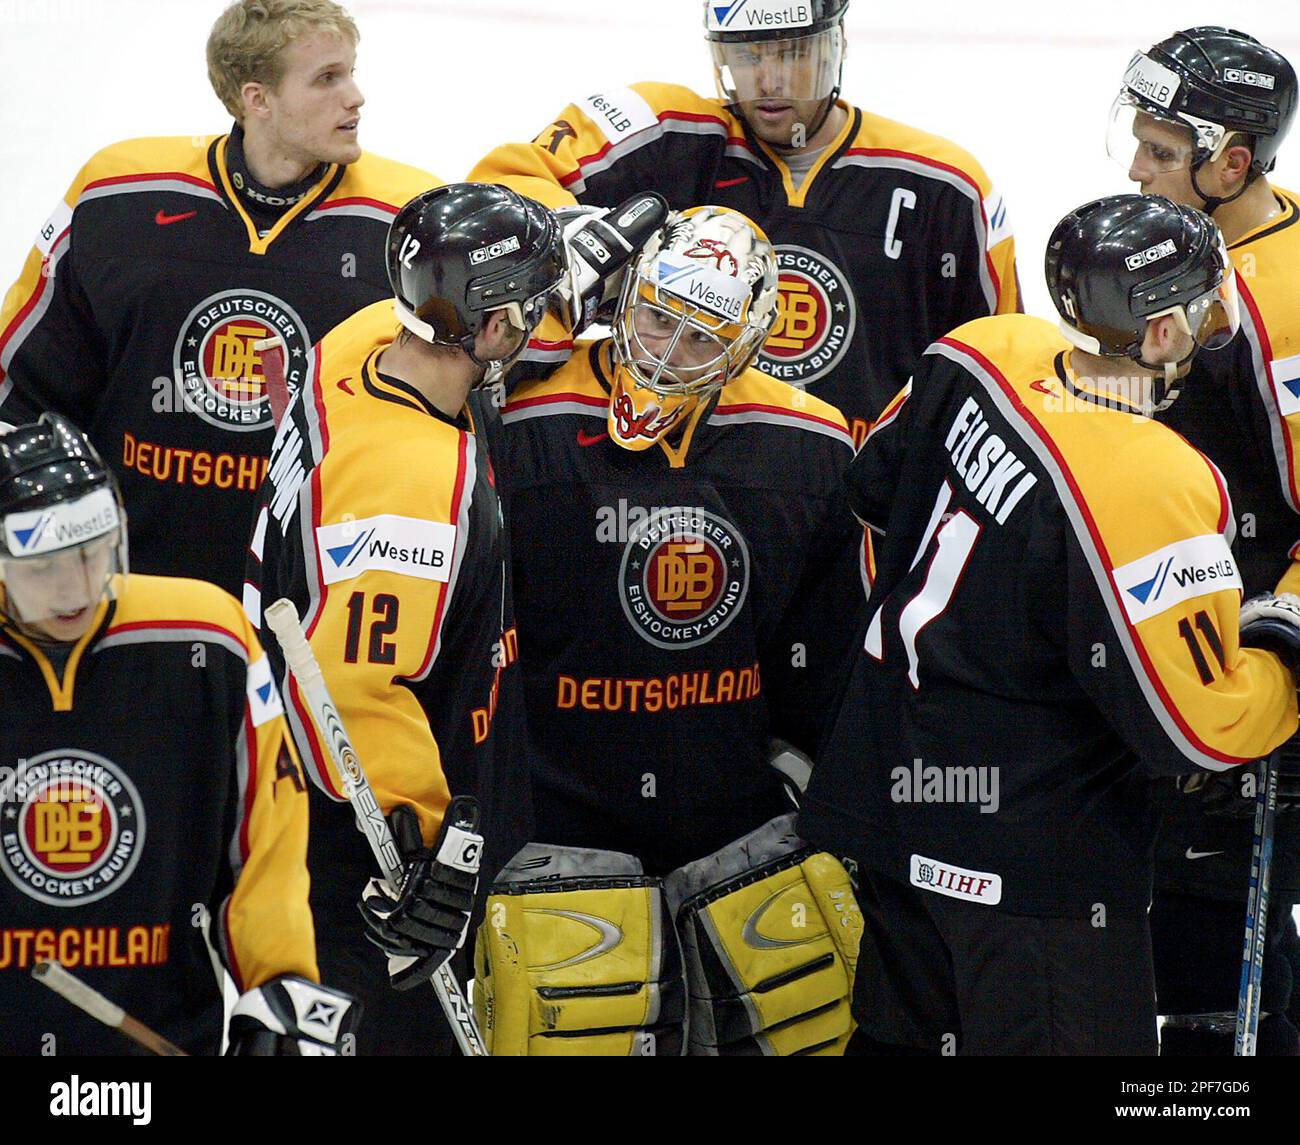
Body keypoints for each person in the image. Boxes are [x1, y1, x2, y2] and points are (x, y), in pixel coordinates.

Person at [797, 194, 1300, 1055]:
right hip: (1032, 865)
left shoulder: (985, 346)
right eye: (1202, 305)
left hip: (891, 794)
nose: (1215, 319)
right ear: (1162, 334)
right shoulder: (1156, 480)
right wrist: (1281, 652)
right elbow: (1197, 729)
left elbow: (872, 486)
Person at [247, 181, 648, 1055]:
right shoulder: (417, 484)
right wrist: (429, 851)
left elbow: (467, 316)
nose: (545, 325)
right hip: (355, 850)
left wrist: (564, 274)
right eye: (533, 312)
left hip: (277, 769)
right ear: (498, 327)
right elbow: (351, 688)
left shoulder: (359, 340)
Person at [472, 205, 865, 1056]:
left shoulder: (807, 442)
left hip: (734, 827)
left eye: (700, 338)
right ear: (628, 294)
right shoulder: (517, 421)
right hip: (556, 825)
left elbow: (828, 654)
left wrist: (814, 798)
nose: (663, 351)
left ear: (752, 344)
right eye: (656, 317)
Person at [0, 0, 437, 598]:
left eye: (352, 71)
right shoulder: (117, 195)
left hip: (314, 597)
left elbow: (449, 418)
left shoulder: (406, 220)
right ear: (257, 99)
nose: (356, 95)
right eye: (328, 78)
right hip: (133, 593)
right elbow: (23, 386)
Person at [468, 0, 1019, 447]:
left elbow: (999, 367)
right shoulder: (667, 134)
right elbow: (499, 189)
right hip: (673, 476)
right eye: (749, 55)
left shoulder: (948, 186)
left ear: (838, 45)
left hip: (847, 500)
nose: (769, 79)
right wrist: (572, 238)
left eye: (792, 53)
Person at [0, 413, 357, 1056]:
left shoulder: (208, 635)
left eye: (93, 553)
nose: (77, 587)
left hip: (159, 1039)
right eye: (45, 567)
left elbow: (264, 842)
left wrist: (279, 988)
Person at [1106, 26, 1300, 1055]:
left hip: (1242, 678)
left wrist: (1280, 625)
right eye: (1133, 139)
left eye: (1159, 150)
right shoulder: (1174, 256)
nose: (1135, 168)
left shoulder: (1279, 307)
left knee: (1225, 978)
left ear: (1232, 162)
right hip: (1176, 656)